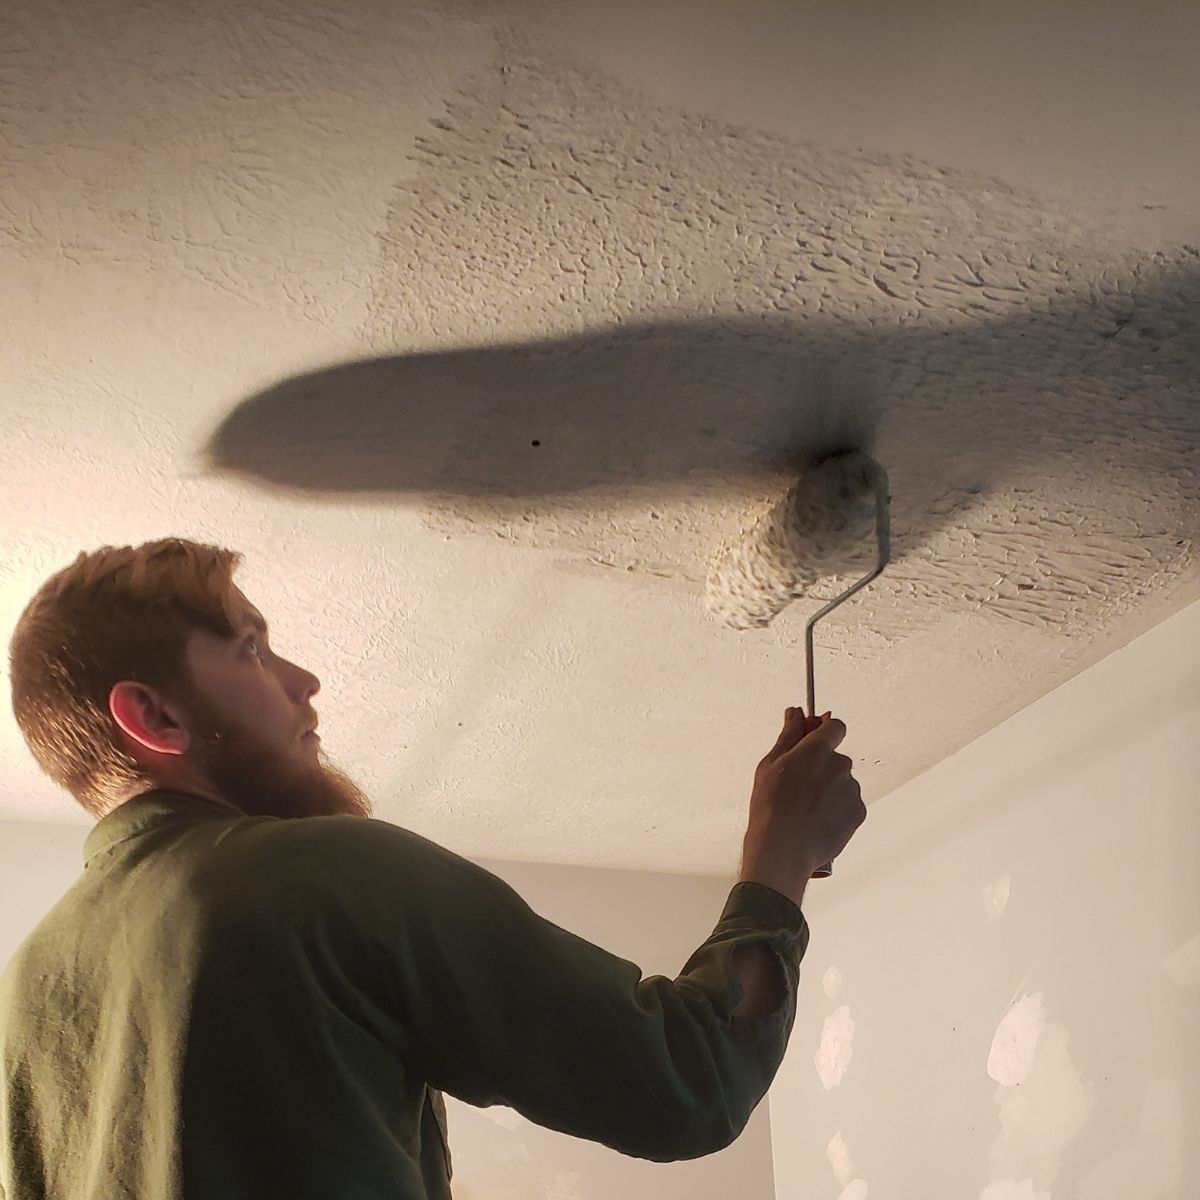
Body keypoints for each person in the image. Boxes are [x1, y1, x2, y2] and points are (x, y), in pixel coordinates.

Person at [0, 537, 865, 1199]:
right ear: (153, 715)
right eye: (251, 649)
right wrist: (780, 856)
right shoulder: (321, 876)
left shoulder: (26, 988)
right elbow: (685, 1084)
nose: (305, 681)